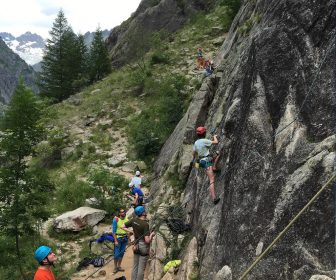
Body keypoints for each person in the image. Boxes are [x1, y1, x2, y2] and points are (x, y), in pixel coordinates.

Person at [123, 206, 155, 280]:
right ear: (143, 213)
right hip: (143, 245)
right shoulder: (145, 224)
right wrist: (151, 235)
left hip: (136, 244)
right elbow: (147, 240)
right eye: (144, 211)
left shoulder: (134, 220)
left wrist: (132, 231)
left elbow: (122, 226)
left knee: (135, 266)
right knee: (141, 268)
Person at [192, 126, 220, 205]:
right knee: (212, 179)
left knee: (217, 154)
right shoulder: (204, 140)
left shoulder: (196, 143)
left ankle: (214, 167)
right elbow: (216, 142)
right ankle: (214, 198)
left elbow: (193, 153)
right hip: (207, 161)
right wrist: (214, 137)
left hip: (202, 161)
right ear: (204, 133)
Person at [112, 208, 129, 274]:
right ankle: (115, 267)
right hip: (118, 238)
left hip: (125, 238)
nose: (123, 213)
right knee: (116, 254)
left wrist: (129, 238)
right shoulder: (116, 220)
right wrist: (115, 240)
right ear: (119, 213)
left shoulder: (126, 219)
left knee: (122, 253)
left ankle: (119, 266)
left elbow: (127, 229)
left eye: (124, 212)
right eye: (122, 212)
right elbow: (113, 231)